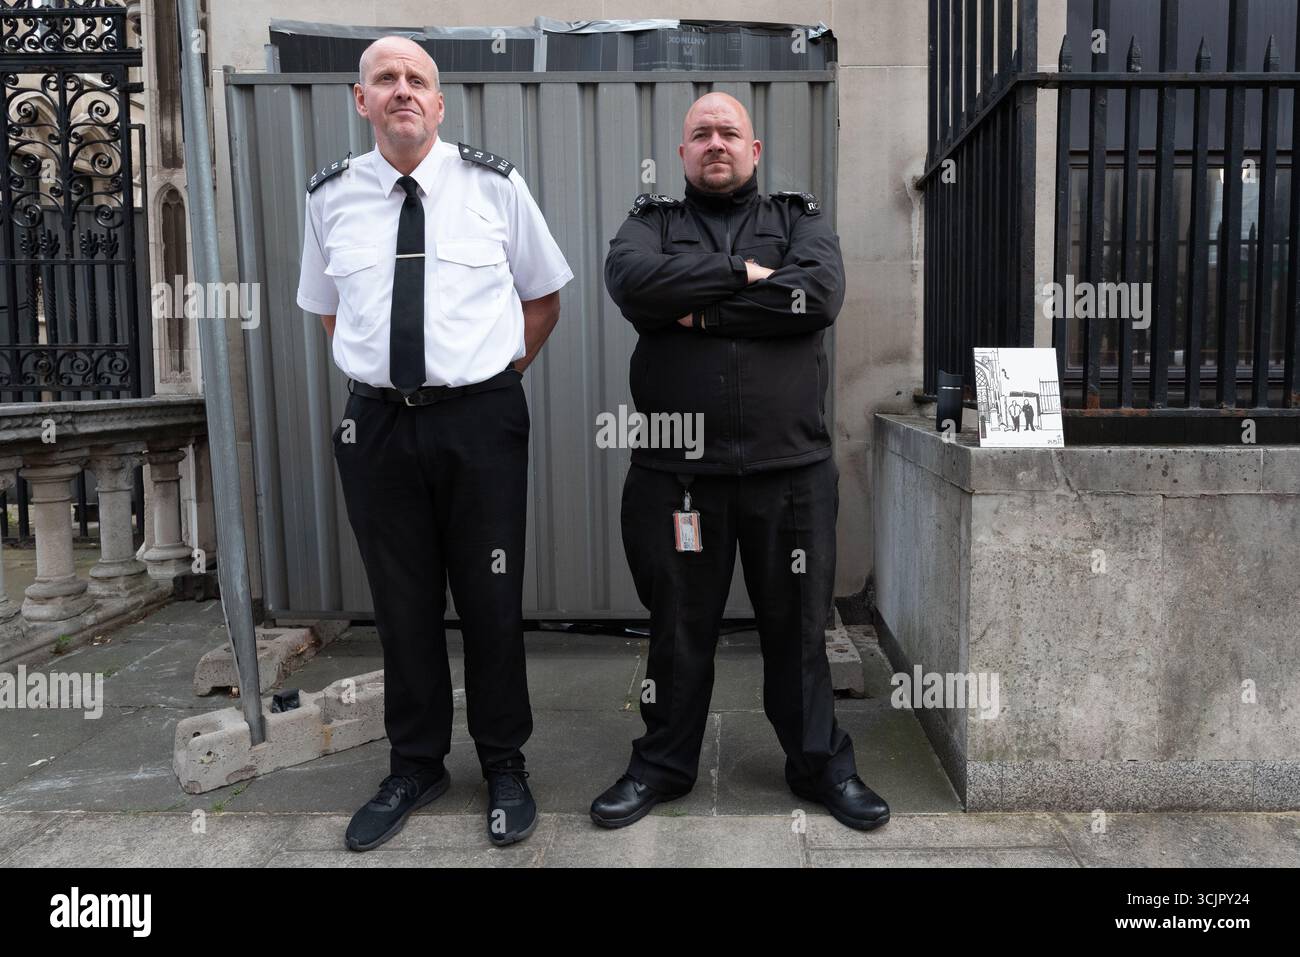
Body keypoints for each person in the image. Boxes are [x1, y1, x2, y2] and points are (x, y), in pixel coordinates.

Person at [295, 36, 573, 851]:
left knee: (490, 597)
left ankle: (504, 762)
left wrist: (487, 377)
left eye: (418, 79)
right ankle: (415, 763)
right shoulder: (331, 197)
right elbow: (328, 309)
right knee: (400, 602)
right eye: (386, 79)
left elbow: (545, 296)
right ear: (361, 99)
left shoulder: (494, 185)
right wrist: (382, 377)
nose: (403, 90)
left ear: (440, 103)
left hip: (480, 421)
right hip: (378, 426)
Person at [592, 92, 889, 832]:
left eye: (730, 132)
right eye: (701, 134)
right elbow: (633, 284)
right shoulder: (651, 222)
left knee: (798, 631)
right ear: (683, 151)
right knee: (677, 627)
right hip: (676, 477)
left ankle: (820, 763)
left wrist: (695, 306)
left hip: (789, 475)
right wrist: (751, 277)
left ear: (755, 150)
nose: (715, 142)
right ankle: (662, 763)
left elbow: (816, 295)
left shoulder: (799, 219)